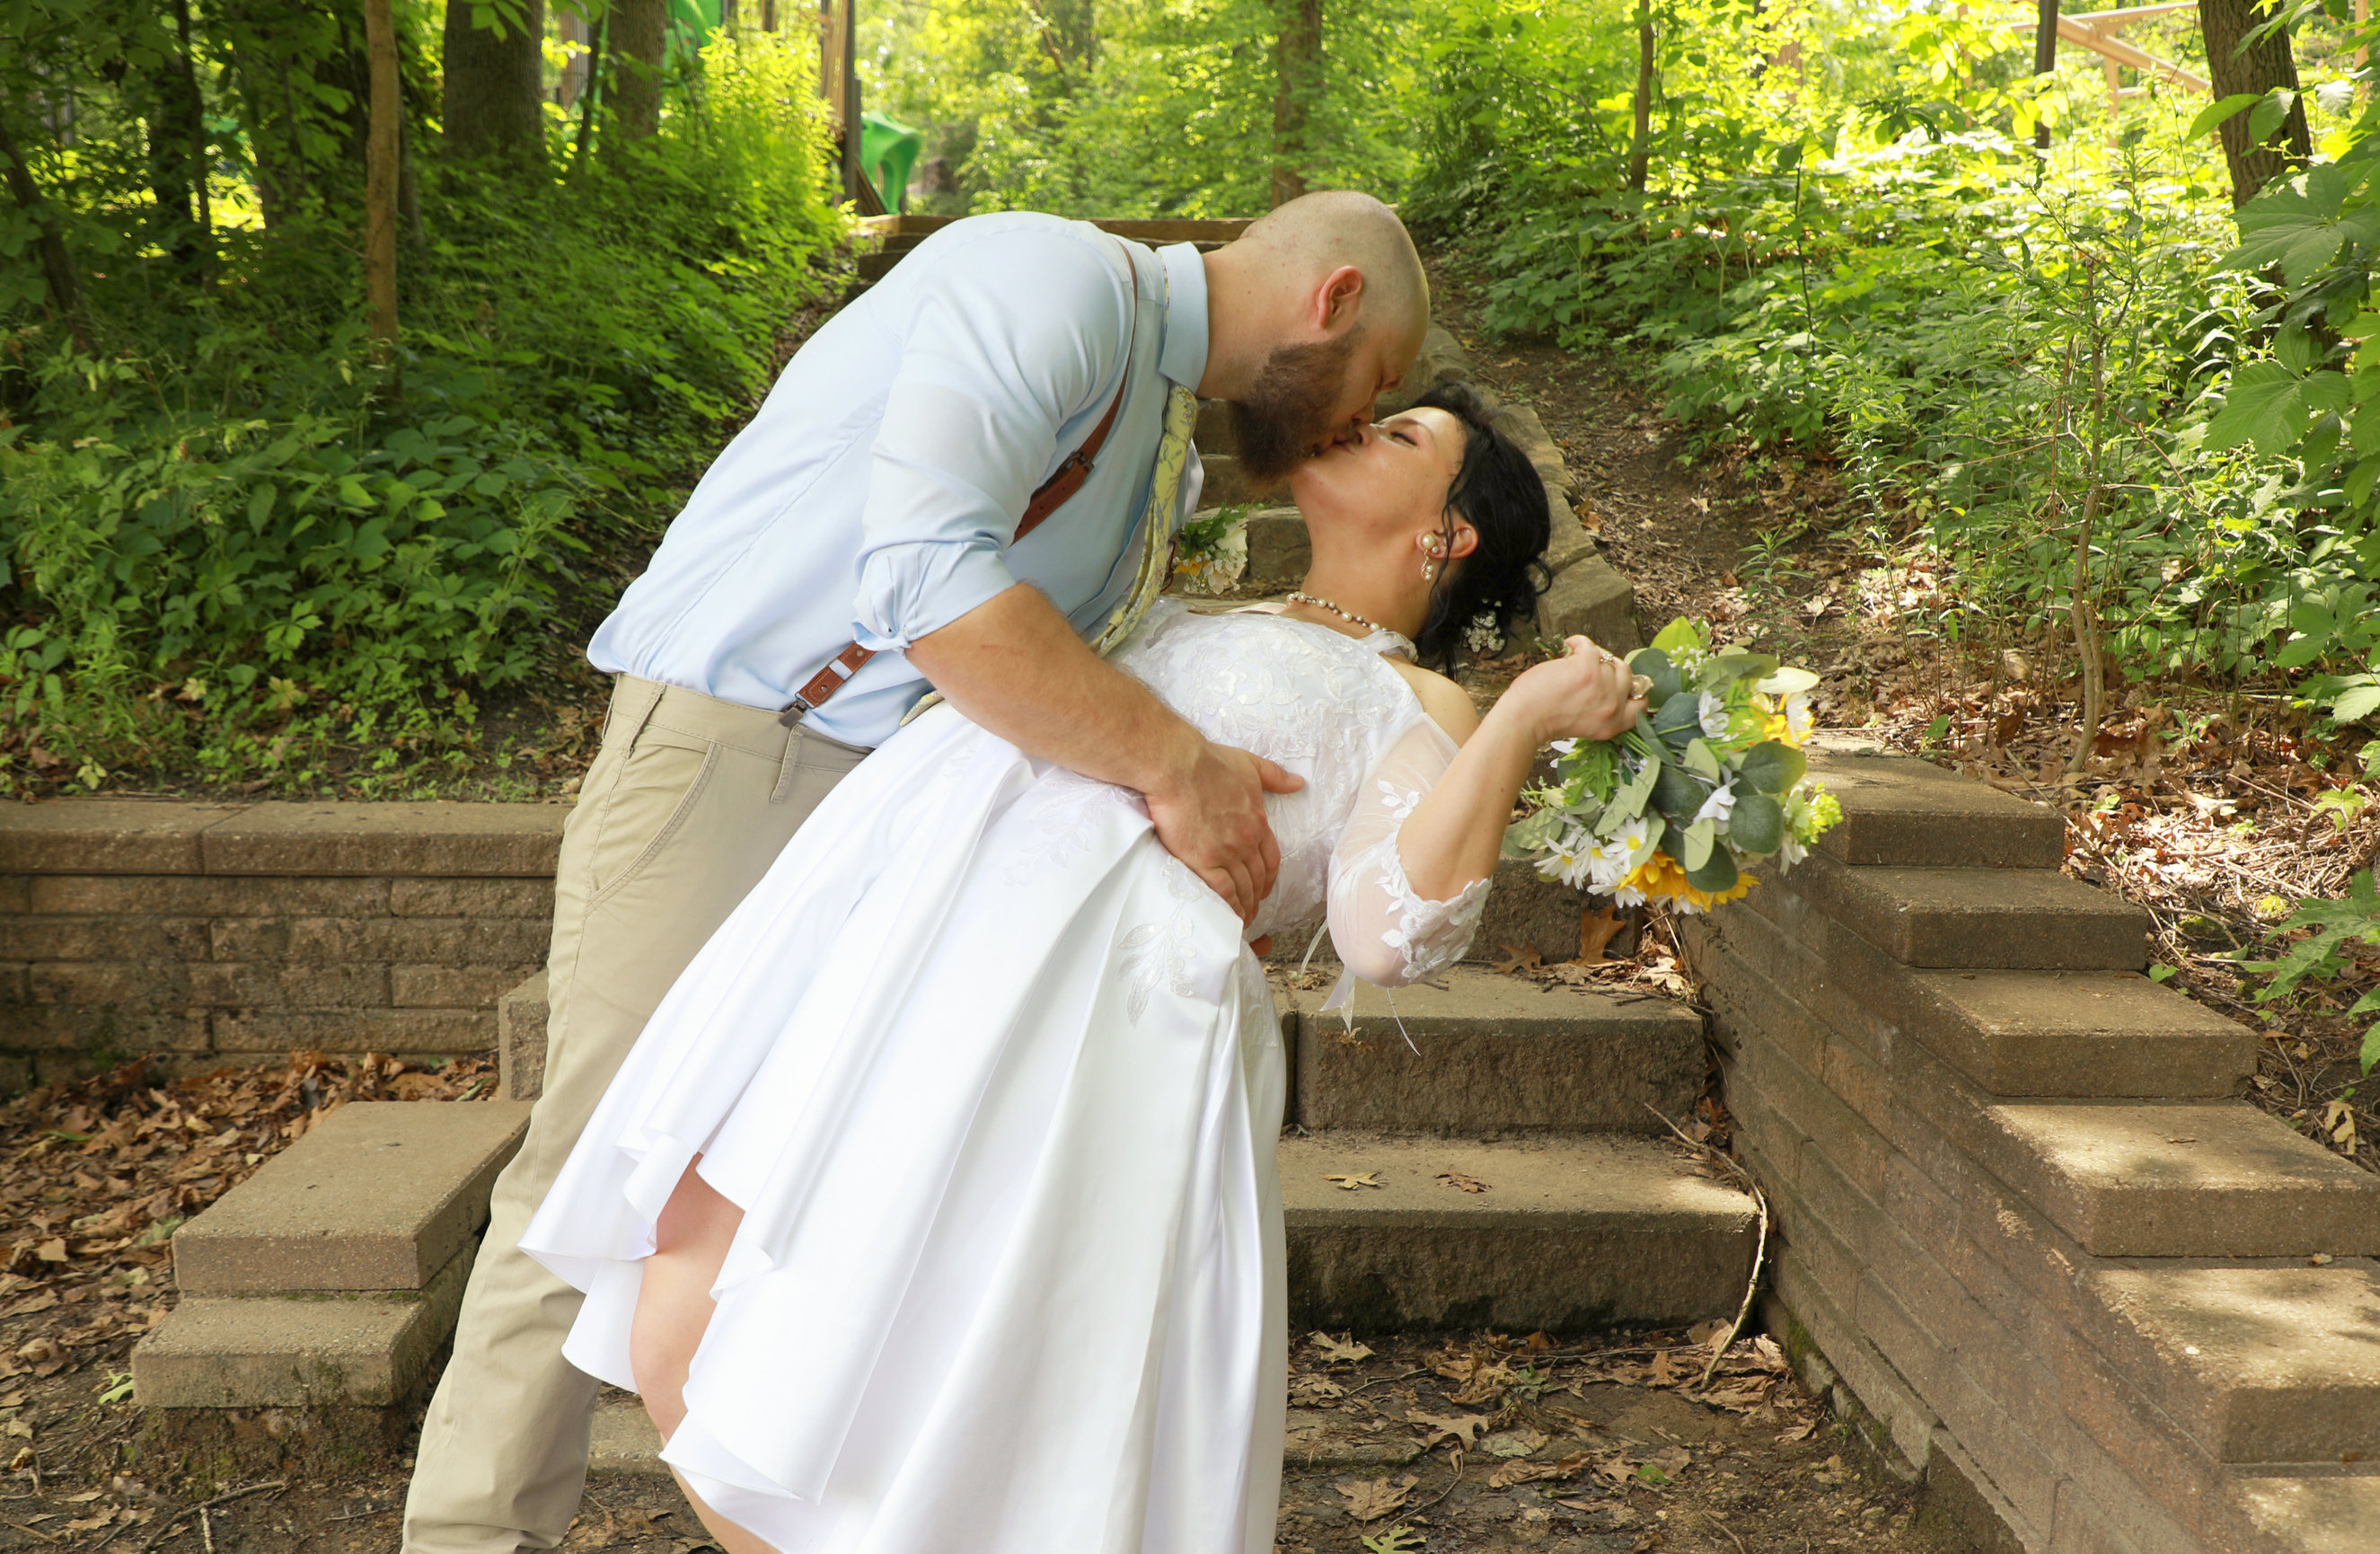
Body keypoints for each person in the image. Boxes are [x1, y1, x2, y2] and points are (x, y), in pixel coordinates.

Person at [401, 192, 1432, 1554]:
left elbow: (1078, 667)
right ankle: (472, 1537)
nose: (1360, 418)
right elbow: (928, 581)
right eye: (1381, 384)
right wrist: (1179, 770)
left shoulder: (1158, 436)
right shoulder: (1051, 282)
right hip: (744, 753)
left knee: (816, 1191)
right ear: (1335, 299)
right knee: (603, 1160)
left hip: (892, 820)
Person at [517, 382, 1650, 1552]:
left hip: (1089, 1017)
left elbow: (1387, 932)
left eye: (1401, 434)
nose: (1356, 424)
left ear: (1446, 533)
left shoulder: (1424, 702)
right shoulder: (1200, 601)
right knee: (683, 1319)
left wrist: (1518, 721)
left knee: (921, 1413)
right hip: (925, 949)